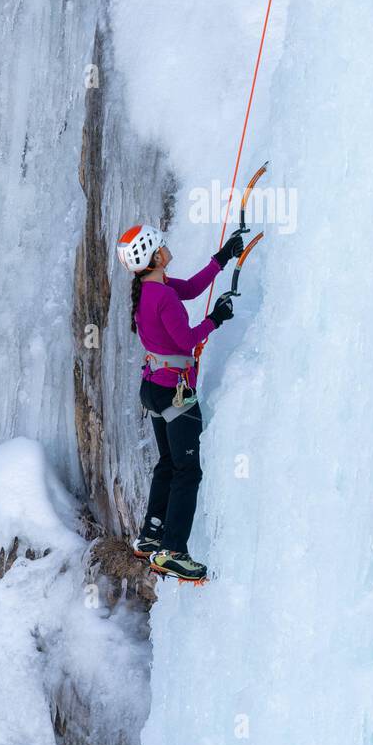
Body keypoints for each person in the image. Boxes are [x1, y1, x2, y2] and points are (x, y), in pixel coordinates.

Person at [116, 223, 244, 580]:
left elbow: (190, 288)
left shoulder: (151, 288)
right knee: (188, 471)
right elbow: (186, 340)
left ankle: (150, 535)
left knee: (169, 462)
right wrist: (215, 320)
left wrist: (221, 259)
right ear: (155, 256)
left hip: (154, 389)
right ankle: (173, 551)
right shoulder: (163, 296)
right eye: (162, 245)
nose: (167, 248)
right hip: (175, 393)